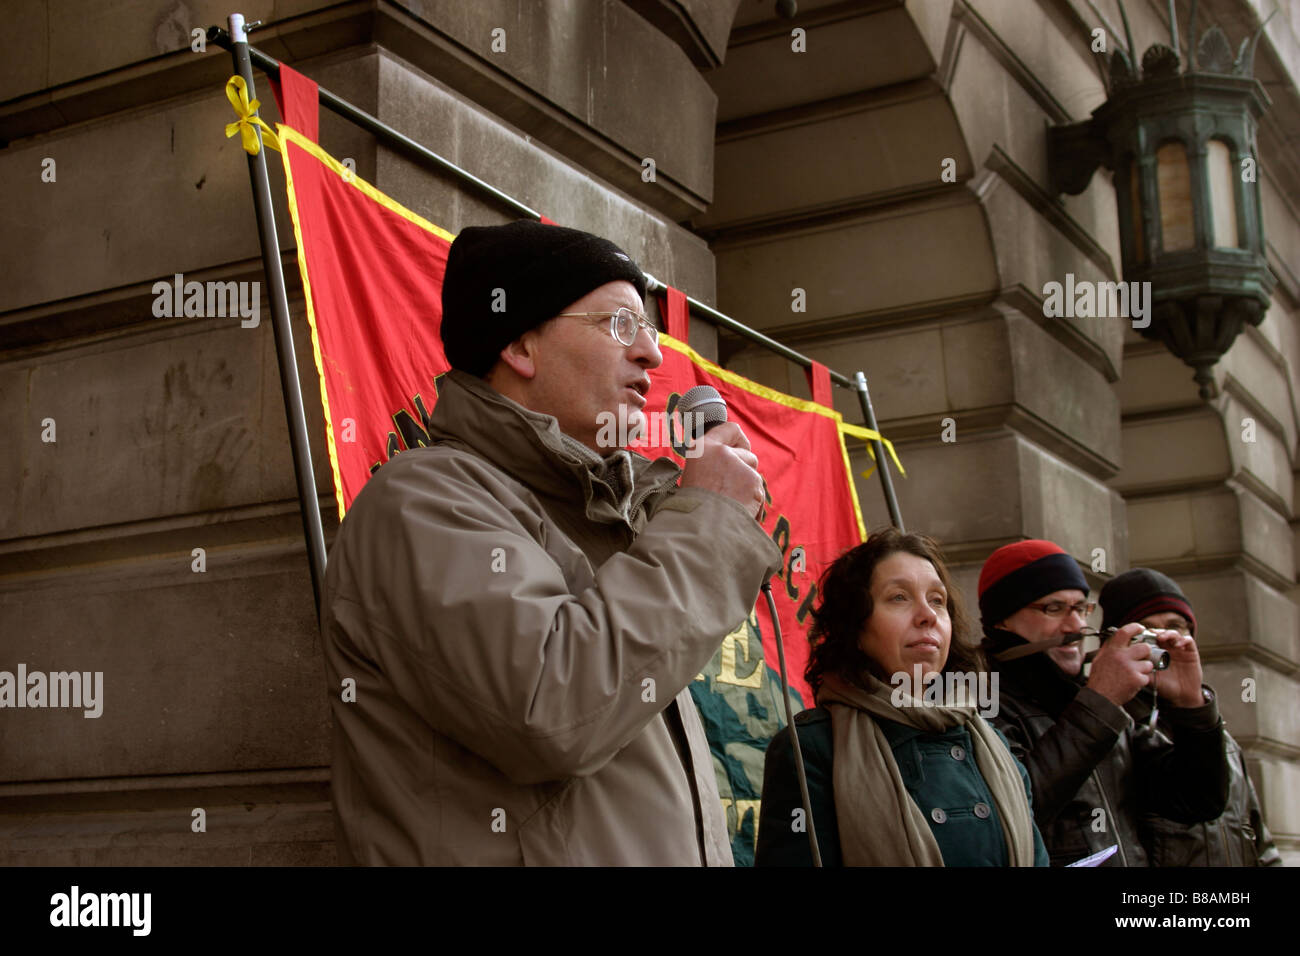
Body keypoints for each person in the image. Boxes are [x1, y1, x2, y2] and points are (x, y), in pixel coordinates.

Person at [319, 220, 783, 865]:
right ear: (520, 345)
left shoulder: (609, 521)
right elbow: (551, 710)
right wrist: (707, 523)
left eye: (651, 331)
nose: (651, 354)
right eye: (620, 324)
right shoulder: (423, 500)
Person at [755, 528, 1048, 866]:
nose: (927, 616)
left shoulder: (991, 743)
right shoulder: (813, 749)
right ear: (856, 629)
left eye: (937, 600)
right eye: (899, 597)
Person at [978, 540, 1229, 866]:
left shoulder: (1095, 704)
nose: (1076, 626)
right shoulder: (978, 701)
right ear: (1002, 621)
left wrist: (1191, 706)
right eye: (1053, 608)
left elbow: (1197, 801)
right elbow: (1012, 815)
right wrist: (1101, 700)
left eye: (1082, 608)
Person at [1100, 568, 1282, 866]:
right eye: (1145, 629)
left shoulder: (1216, 732)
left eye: (1176, 627)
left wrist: (1192, 705)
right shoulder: (1109, 727)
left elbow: (1259, 841)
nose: (1163, 640)